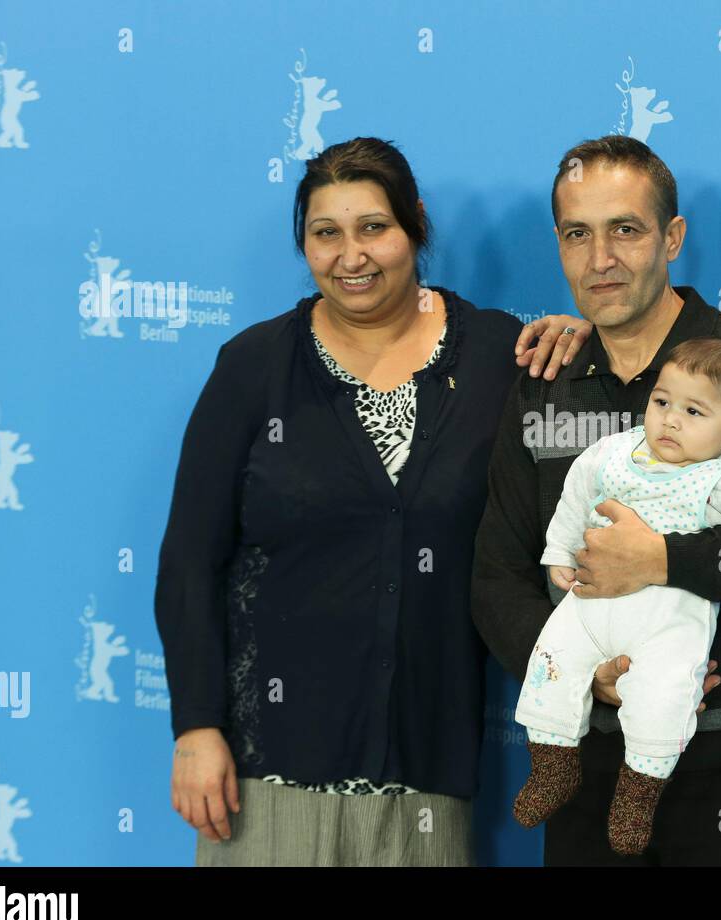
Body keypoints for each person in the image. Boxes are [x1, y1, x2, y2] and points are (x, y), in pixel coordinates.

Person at [155, 136, 589, 867]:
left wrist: (591, 343)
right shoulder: (254, 366)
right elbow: (189, 562)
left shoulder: (498, 356)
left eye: (373, 228)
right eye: (326, 233)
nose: (350, 256)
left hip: (425, 772)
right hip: (265, 773)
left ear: (414, 224)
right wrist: (196, 727)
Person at [471, 135, 721, 866]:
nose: (600, 258)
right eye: (578, 234)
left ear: (673, 238)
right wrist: (590, 676)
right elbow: (497, 574)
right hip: (582, 753)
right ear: (558, 246)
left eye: (626, 230)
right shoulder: (549, 378)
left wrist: (662, 560)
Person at [512, 338, 721, 855]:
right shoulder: (614, 450)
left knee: (665, 694)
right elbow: (576, 493)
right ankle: (552, 764)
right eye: (662, 402)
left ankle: (639, 790)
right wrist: (559, 550)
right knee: (552, 662)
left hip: (670, 617)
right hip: (590, 606)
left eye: (693, 411)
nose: (669, 421)